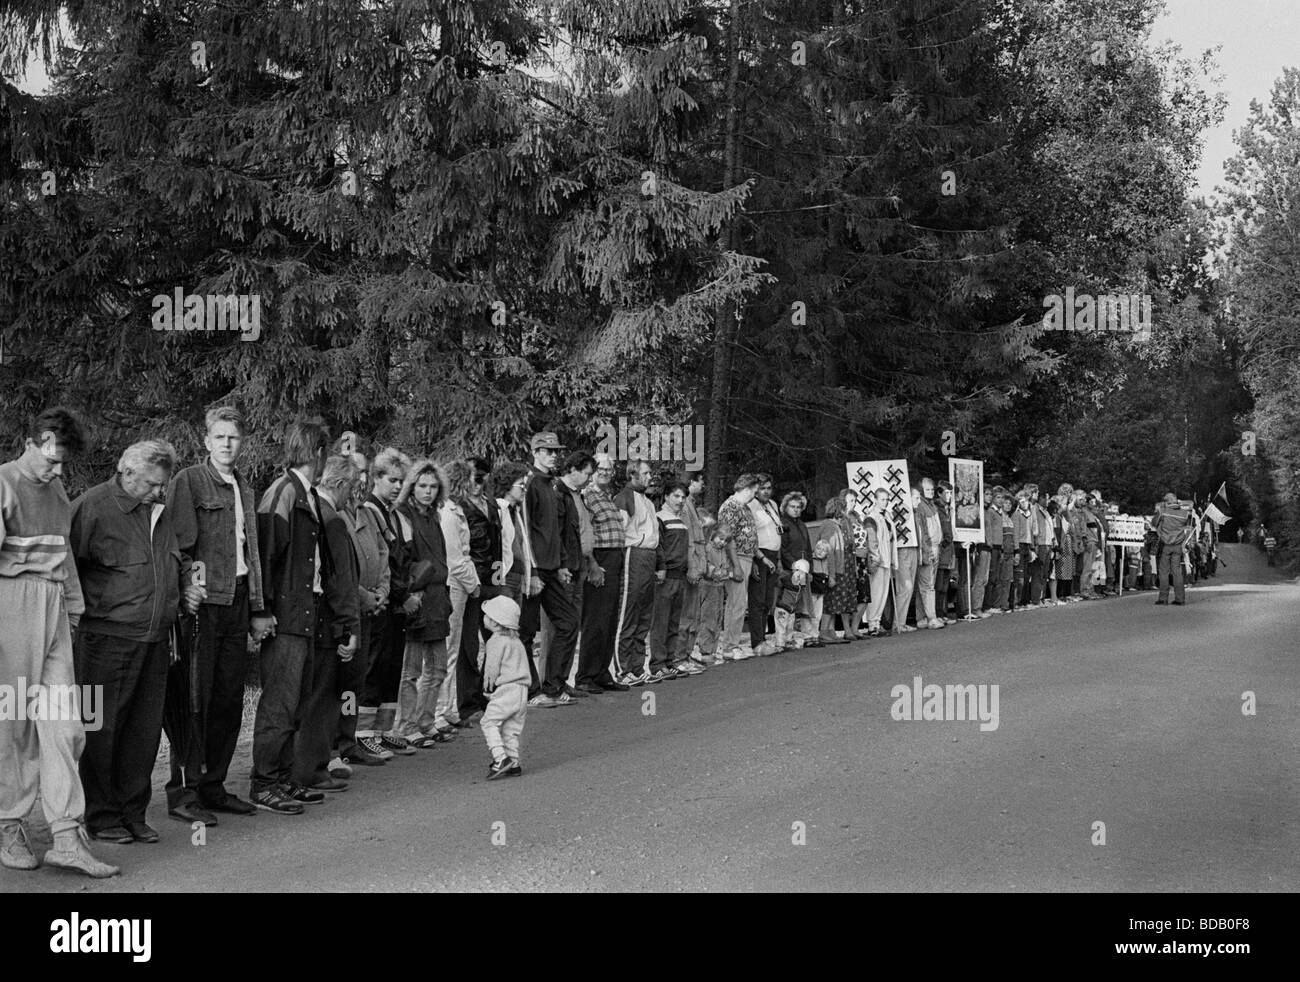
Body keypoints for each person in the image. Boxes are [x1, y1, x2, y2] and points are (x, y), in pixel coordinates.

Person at [1, 407, 119, 878]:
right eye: (54, 458)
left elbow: (65, 552)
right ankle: (9, 822)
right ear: (39, 439)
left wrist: (73, 606)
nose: (59, 469)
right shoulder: (5, 483)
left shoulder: (56, 489)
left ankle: (67, 836)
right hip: (11, 603)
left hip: (51, 606)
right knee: (14, 723)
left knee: (65, 724)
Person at [71, 440, 200, 844]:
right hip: (104, 639)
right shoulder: (91, 507)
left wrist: (185, 590)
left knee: (142, 734)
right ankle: (101, 815)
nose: (160, 492)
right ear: (127, 473)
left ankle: (133, 812)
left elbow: (172, 564)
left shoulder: (159, 512)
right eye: (152, 484)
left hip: (155, 640)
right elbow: (65, 570)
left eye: (162, 485)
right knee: (101, 730)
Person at [163, 406, 264, 826]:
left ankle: (214, 786)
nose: (226, 444)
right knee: (195, 700)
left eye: (234, 438)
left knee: (228, 699)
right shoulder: (189, 481)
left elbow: (250, 553)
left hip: (237, 599)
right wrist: (189, 585)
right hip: (203, 606)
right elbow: (178, 544)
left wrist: (258, 607)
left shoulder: (245, 486)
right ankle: (184, 793)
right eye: (219, 437)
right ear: (206, 441)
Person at [250, 419, 331, 814]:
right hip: (284, 615)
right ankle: (264, 781)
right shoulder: (282, 492)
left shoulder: (308, 494)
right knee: (278, 703)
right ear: (318, 451)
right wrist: (261, 610)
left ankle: (283, 778)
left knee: (296, 702)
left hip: (305, 612)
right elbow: (265, 556)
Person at [295, 454, 360, 792]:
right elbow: (340, 579)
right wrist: (349, 626)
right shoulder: (331, 519)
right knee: (324, 695)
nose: (354, 493)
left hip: (311, 615)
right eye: (352, 486)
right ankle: (312, 768)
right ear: (341, 483)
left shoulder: (313, 510)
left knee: (313, 692)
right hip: (327, 620)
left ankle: (304, 763)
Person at [355, 447, 416, 760]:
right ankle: (363, 732)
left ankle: (382, 728)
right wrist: (399, 594)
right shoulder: (371, 510)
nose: (396, 486)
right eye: (391, 479)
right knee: (374, 665)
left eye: (401, 481)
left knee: (393, 664)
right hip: (383, 601)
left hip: (396, 603)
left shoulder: (395, 513)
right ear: (376, 478)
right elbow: (383, 558)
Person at [335, 449, 389, 769]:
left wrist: (381, 590)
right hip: (348, 610)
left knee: (355, 681)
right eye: (357, 473)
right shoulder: (334, 512)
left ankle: (348, 737)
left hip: (370, 608)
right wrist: (362, 596)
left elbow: (382, 552)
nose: (363, 479)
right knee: (340, 683)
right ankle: (333, 742)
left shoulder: (368, 513)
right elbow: (337, 569)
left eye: (366, 473)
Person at [395, 459, 454, 744]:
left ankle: (426, 720)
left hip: (438, 598)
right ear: (412, 486)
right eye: (422, 486)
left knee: (438, 668)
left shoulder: (434, 516)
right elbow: (402, 558)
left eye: (433, 486)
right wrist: (409, 592)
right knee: (411, 671)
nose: (428, 491)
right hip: (417, 597)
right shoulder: (403, 514)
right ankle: (406, 726)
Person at [519, 432, 580, 708]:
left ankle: (552, 686)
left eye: (556, 451)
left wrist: (562, 564)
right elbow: (525, 530)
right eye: (548, 450)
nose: (554, 455)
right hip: (534, 571)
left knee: (568, 623)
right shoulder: (529, 483)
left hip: (551, 569)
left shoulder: (552, 485)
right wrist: (531, 571)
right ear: (535, 452)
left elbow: (555, 530)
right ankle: (532, 691)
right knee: (525, 633)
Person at [433, 461, 481, 732]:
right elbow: (455, 558)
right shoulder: (449, 514)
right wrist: (474, 584)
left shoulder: (455, 510)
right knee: (447, 649)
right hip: (455, 584)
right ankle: (439, 711)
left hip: (459, 584)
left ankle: (448, 707)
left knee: (452, 649)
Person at [576, 453, 629, 693]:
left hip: (616, 557)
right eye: (601, 469)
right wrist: (593, 565)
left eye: (610, 469)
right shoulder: (586, 496)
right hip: (600, 558)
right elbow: (585, 533)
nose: (606, 472)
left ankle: (601, 672)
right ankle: (586, 675)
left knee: (609, 619)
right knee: (595, 620)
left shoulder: (607, 497)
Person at [547, 451, 596, 698]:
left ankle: (561, 678)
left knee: (573, 623)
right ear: (573, 469)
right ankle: (552, 681)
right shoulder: (559, 493)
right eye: (586, 474)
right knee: (562, 626)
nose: (588, 479)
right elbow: (556, 532)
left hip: (578, 564)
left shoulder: (576, 495)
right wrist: (561, 564)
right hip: (566, 567)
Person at [455, 456, 499, 720]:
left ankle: (482, 692)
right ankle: (467, 702)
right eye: (473, 477)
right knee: (468, 643)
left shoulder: (491, 504)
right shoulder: (458, 507)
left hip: (490, 579)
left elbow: (496, 544)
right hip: (470, 579)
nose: (477, 482)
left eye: (482, 477)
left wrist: (496, 581)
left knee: (494, 639)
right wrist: (473, 583)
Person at [612, 458, 662, 683]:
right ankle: (623, 669)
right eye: (646, 473)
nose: (650, 477)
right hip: (633, 553)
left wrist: (659, 564)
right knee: (629, 610)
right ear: (633, 475)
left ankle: (638, 666)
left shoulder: (649, 502)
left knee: (644, 613)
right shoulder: (624, 498)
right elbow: (621, 532)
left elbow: (655, 536)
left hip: (649, 555)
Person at [648, 482, 695, 679]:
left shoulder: (681, 520)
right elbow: (658, 546)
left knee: (674, 622)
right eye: (676, 496)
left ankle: (669, 660)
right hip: (665, 576)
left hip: (680, 575)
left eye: (683, 497)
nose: (680, 501)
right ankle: (657, 664)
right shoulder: (660, 518)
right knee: (661, 621)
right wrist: (661, 568)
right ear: (666, 496)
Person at [478, 595, 528, 780]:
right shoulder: (517, 642)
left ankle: (500, 759)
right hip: (522, 690)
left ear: (496, 622)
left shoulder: (495, 641)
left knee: (489, 722)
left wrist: (488, 689)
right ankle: (514, 762)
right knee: (511, 729)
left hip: (506, 688)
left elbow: (491, 669)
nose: (484, 618)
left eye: (487, 615)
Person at [716, 474, 760, 660]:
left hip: (747, 557)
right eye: (754, 491)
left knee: (740, 603)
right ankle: (729, 646)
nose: (755, 495)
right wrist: (736, 565)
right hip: (737, 558)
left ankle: (732, 643)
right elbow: (727, 538)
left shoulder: (745, 507)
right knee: (736, 603)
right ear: (747, 489)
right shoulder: (730, 507)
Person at [746, 474, 783, 656]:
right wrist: (756, 559)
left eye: (768, 488)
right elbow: (750, 535)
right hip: (760, 555)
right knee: (757, 599)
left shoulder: (773, 505)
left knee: (769, 599)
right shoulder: (750, 506)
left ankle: (763, 638)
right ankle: (757, 642)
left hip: (773, 555)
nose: (766, 491)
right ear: (755, 489)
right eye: (762, 488)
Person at [816, 491, 854, 643]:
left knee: (835, 603)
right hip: (833, 570)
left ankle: (830, 631)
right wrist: (831, 575)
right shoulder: (830, 527)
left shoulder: (834, 526)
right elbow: (828, 552)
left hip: (838, 569)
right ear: (839, 511)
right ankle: (824, 631)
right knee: (831, 603)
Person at [777, 492, 812, 650]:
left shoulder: (802, 525)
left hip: (803, 570)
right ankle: (780, 638)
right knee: (786, 602)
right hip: (789, 569)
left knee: (795, 603)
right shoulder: (783, 524)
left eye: (799, 507)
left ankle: (789, 637)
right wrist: (792, 564)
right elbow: (782, 548)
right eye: (792, 507)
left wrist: (809, 568)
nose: (796, 510)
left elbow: (808, 549)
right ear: (785, 507)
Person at [678, 473, 707, 663]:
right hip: (691, 562)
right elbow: (688, 539)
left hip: (698, 560)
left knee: (694, 613)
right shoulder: (684, 507)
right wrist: (692, 566)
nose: (703, 484)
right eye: (700, 480)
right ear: (691, 482)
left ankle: (687, 653)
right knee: (686, 613)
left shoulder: (692, 505)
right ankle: (679, 655)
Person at [698, 524, 738, 664]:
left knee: (717, 618)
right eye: (720, 539)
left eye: (726, 541)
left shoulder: (722, 551)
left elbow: (725, 568)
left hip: (719, 586)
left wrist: (725, 573)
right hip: (709, 586)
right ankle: (705, 650)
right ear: (713, 535)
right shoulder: (708, 549)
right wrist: (724, 573)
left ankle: (712, 649)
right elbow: (709, 570)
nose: (723, 543)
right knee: (708, 618)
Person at [1151, 493, 1195, 605]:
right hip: (1178, 545)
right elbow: (1189, 526)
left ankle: (1163, 598)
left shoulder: (1163, 511)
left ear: (1166, 502)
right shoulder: (1184, 514)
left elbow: (1154, 523)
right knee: (1177, 571)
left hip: (1165, 544)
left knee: (1164, 571)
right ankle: (1180, 599)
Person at [862, 487, 896, 636]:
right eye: (882, 499)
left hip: (886, 558)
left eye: (887, 499)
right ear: (875, 499)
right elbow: (871, 540)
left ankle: (877, 621)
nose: (885, 502)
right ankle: (872, 624)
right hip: (878, 560)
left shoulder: (887, 516)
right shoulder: (871, 517)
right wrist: (875, 558)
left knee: (883, 593)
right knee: (875, 593)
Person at [912, 480, 942, 629]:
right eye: (927, 490)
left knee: (925, 585)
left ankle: (921, 617)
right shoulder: (921, 507)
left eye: (932, 489)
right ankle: (932, 617)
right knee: (928, 584)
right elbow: (922, 531)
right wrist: (926, 550)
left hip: (936, 546)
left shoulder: (932, 505)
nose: (931, 492)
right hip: (928, 548)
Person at [934, 480, 956, 624]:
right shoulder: (937, 508)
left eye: (950, 493)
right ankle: (937, 613)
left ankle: (943, 613)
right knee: (939, 584)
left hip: (949, 550)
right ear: (939, 493)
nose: (948, 495)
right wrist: (943, 542)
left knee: (945, 585)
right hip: (942, 549)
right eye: (946, 492)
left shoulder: (949, 508)